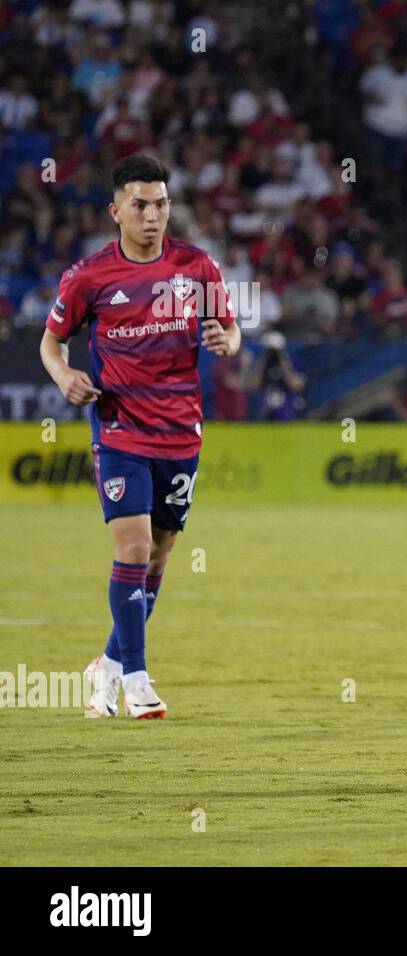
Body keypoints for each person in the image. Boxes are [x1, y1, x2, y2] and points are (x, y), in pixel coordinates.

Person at [39, 153, 240, 719]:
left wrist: (230, 342)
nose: (153, 215)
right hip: (120, 429)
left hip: (182, 433)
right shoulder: (90, 277)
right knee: (132, 550)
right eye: (141, 205)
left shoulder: (198, 268)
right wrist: (63, 376)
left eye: (162, 204)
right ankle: (137, 679)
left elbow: (229, 328)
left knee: (158, 557)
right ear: (116, 212)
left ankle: (105, 663)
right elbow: (50, 343)